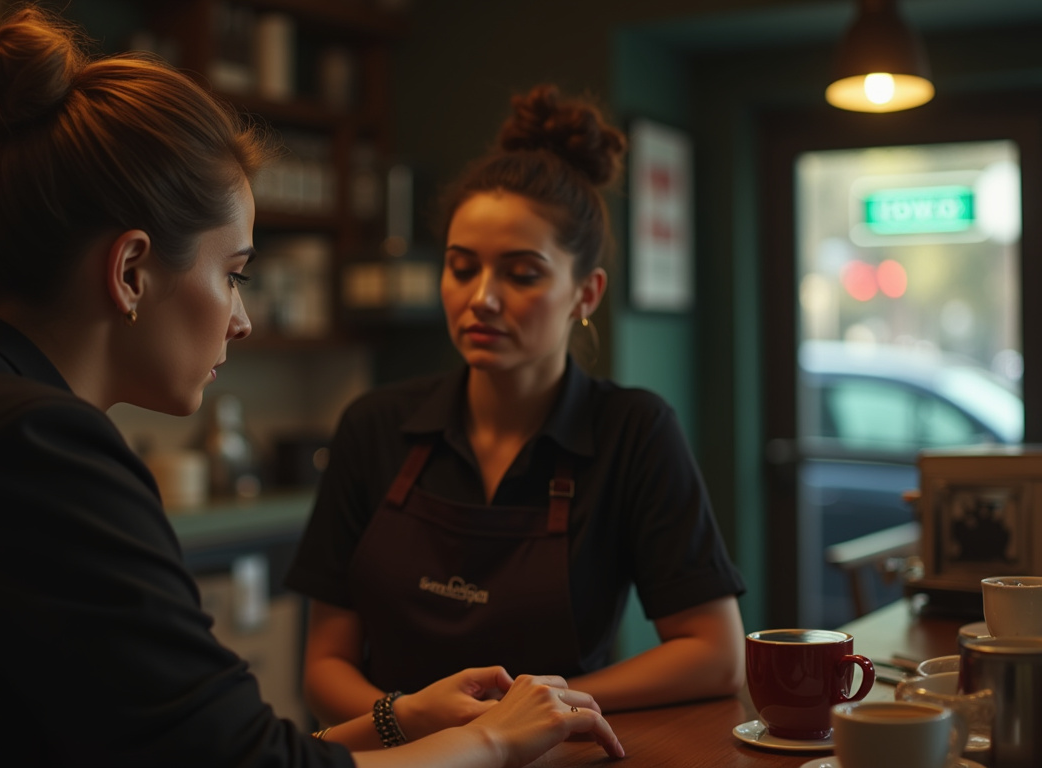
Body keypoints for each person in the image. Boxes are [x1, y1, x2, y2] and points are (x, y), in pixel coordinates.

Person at [0, 11, 623, 767]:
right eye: (234, 273)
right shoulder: (34, 449)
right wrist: (496, 744)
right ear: (133, 271)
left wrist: (400, 721)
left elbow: (208, 748)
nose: (242, 318)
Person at [285, 85, 748, 728]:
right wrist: (412, 717)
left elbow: (715, 653)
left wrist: (542, 709)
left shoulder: (632, 432)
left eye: (521, 273)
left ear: (585, 293)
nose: (482, 298)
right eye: (462, 267)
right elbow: (322, 666)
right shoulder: (374, 425)